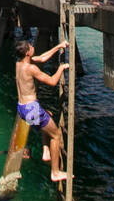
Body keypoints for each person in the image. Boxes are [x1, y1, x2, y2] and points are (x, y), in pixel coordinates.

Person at [14, 38, 71, 182]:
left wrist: (59, 46)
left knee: (49, 115)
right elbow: (52, 82)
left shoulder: (19, 64)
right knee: (56, 135)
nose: (33, 46)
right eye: (31, 46)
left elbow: (43, 58)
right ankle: (55, 172)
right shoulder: (31, 68)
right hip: (32, 109)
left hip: (22, 108)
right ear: (27, 53)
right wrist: (61, 68)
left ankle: (46, 151)